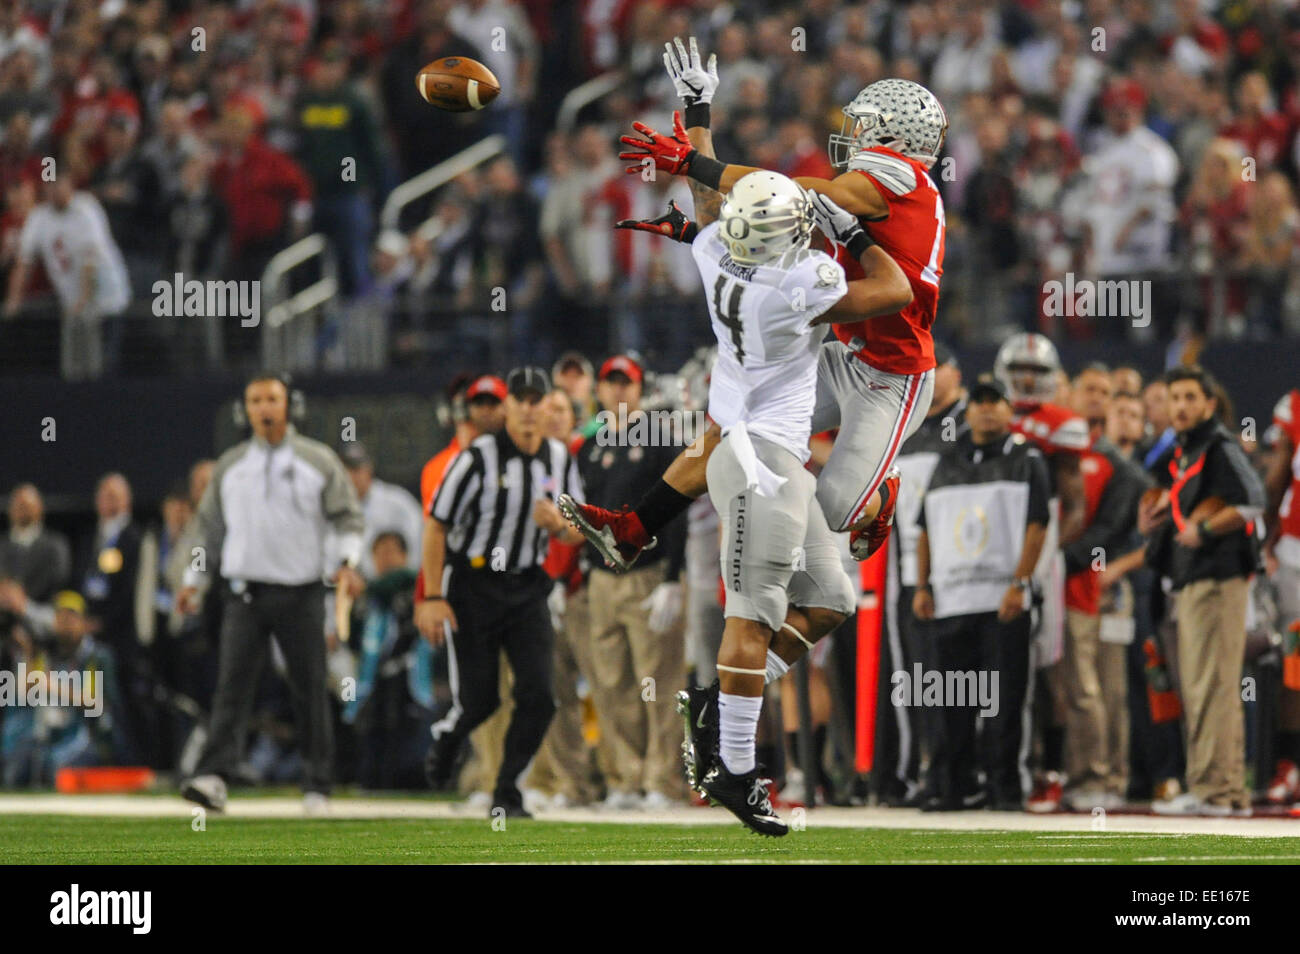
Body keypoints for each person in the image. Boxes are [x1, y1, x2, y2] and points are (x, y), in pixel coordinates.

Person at [563, 42, 947, 575]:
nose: (853, 134)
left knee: (839, 508)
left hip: (896, 374)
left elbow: (787, 191)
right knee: (731, 427)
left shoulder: (901, 180)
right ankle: (633, 528)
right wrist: (698, 122)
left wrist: (692, 162)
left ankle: (883, 494)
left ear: (893, 136)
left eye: (864, 124)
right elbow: (738, 216)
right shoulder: (848, 210)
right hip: (847, 352)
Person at [177, 373, 366, 814]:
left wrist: (346, 562)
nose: (264, 408)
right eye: (256, 399)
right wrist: (194, 579)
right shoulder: (230, 466)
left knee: (309, 689)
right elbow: (207, 530)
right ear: (246, 408)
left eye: (272, 399)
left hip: (301, 593)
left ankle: (317, 784)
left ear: (289, 405)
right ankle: (214, 777)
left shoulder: (317, 461)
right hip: (243, 593)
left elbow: (347, 519)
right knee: (231, 688)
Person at [416, 366, 586, 819]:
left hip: (528, 584)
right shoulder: (476, 458)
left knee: (539, 696)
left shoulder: (560, 458)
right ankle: (450, 737)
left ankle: (506, 789)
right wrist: (432, 596)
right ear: (508, 406)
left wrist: (562, 526)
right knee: (481, 700)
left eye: (538, 400)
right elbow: (437, 525)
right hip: (474, 584)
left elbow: (578, 530)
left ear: (550, 406)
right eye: (521, 400)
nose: (530, 409)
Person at [912, 377, 1050, 811]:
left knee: (1005, 701)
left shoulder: (1027, 458)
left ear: (1010, 410)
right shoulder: (947, 460)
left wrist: (1020, 583)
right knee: (952, 700)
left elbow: (1037, 525)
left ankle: (1005, 789)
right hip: (952, 600)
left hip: (1002, 601)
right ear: (968, 411)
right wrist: (923, 585)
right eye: (980, 402)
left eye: (996, 402)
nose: (987, 410)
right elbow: (926, 529)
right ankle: (955, 788)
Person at [1141, 366, 1266, 816]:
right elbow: (1160, 494)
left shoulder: (1218, 445)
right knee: (1209, 687)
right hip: (1196, 578)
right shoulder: (1182, 450)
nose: (1181, 406)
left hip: (1218, 577)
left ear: (1210, 404)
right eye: (1175, 397)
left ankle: (1214, 791)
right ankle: (1226, 792)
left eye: (1191, 397)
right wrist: (1150, 523)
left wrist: (1207, 528)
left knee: (1209, 686)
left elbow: (1253, 498)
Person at [578, 354, 687, 810]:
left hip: (648, 573)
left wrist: (674, 577)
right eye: (611, 382)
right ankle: (623, 777)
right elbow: (583, 513)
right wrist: (582, 570)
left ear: (641, 389)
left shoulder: (662, 439)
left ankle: (663, 782)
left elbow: (678, 507)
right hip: (602, 578)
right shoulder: (591, 445)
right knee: (611, 682)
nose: (619, 390)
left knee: (658, 681)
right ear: (600, 390)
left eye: (627, 382)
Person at [877, 341, 966, 806]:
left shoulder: (972, 423)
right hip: (912, 570)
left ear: (954, 372)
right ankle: (922, 772)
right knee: (917, 678)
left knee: (966, 681)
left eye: (937, 367)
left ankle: (968, 774)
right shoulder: (905, 425)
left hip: (966, 573)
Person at [4, 169, 130, 379]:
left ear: (69, 183)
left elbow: (91, 260)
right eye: (49, 185)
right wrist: (13, 300)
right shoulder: (39, 217)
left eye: (58, 184)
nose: (54, 190)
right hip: (73, 305)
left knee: (102, 370)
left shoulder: (86, 208)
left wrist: (83, 299)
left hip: (106, 301)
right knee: (74, 373)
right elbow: (24, 262)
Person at [1264, 387, 1300, 811]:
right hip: (1294, 553)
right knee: (1294, 664)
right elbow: (1275, 481)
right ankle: (1288, 763)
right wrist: (1265, 541)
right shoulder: (1293, 405)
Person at [339, 442, 423, 578]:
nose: (350, 477)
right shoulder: (334, 509)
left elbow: (419, 547)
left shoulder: (398, 502)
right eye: (345, 471)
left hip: (397, 589)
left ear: (369, 469)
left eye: (356, 470)